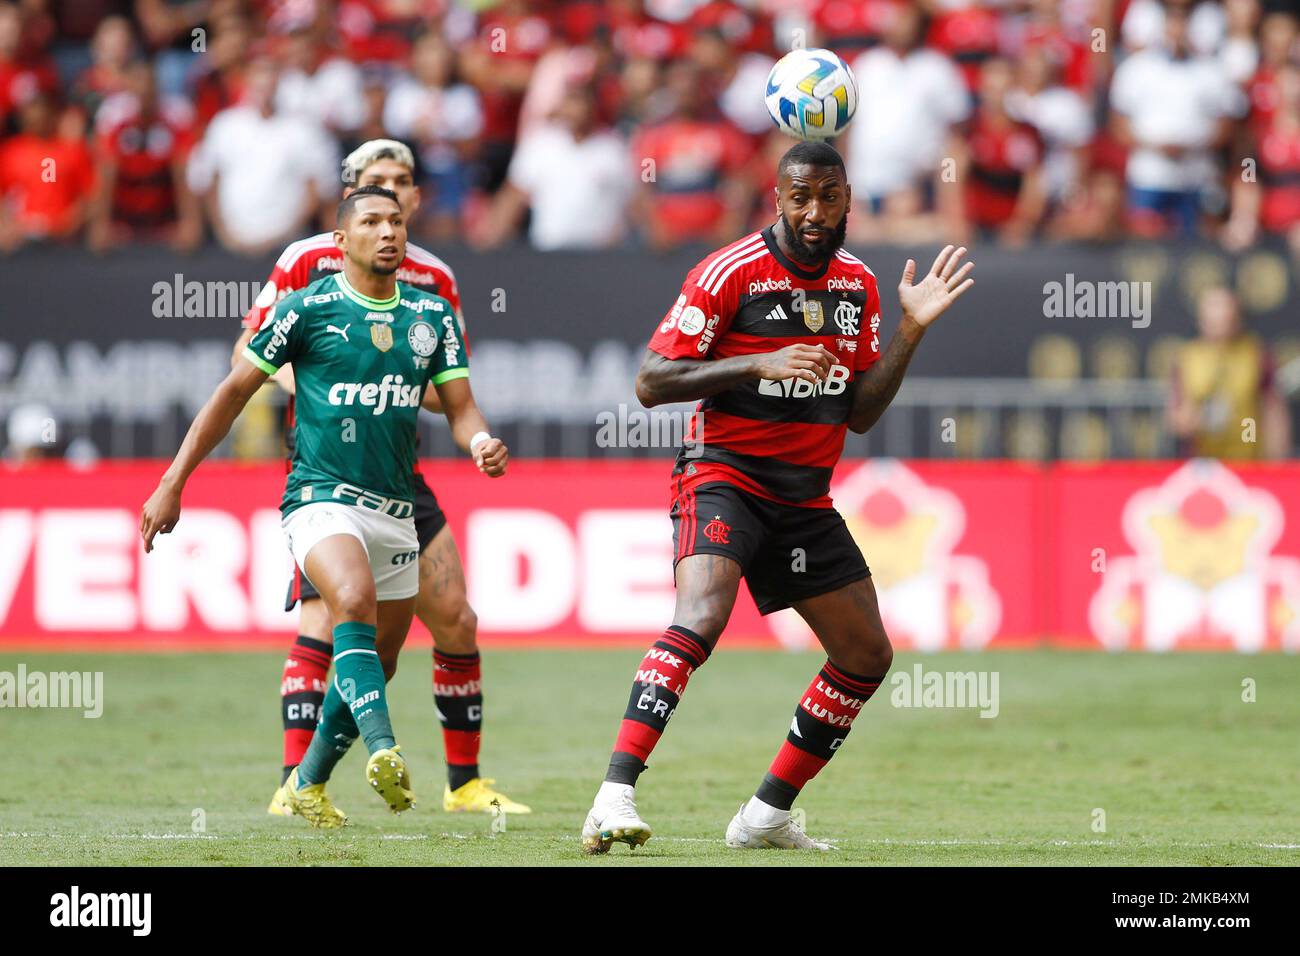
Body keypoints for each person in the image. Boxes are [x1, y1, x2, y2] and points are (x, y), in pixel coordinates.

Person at [580, 141, 975, 853]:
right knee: (701, 616)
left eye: (829, 196)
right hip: (725, 476)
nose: (815, 212)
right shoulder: (729, 271)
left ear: (848, 199)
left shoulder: (858, 285)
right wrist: (757, 361)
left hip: (804, 500)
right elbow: (651, 381)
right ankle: (613, 797)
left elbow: (860, 413)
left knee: (865, 654)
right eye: (801, 198)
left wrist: (912, 329)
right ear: (778, 199)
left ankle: (765, 816)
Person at [142, 184, 509, 828]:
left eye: (395, 221)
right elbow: (233, 392)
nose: (388, 232)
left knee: (382, 659)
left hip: (396, 506)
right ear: (341, 240)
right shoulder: (305, 308)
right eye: (371, 222)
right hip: (319, 495)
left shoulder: (431, 315)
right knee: (353, 601)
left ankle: (306, 783)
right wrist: (174, 481)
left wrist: (479, 441)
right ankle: (385, 749)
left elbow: (460, 407)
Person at [231, 139, 530, 816]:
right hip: (324, 468)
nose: (390, 196)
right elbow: (248, 352)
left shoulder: (436, 282)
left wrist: (467, 429)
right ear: (350, 202)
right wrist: (323, 382)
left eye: (401, 184)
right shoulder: (306, 262)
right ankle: (294, 780)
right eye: (376, 184)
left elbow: (447, 392)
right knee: (329, 618)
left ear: (415, 199)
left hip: (398, 471)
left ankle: (464, 784)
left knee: (455, 619)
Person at [1167, 286, 1291, 460]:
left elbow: (1273, 410)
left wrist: (1276, 459)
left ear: (1237, 318)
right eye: (1213, 318)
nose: (1219, 322)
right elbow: (1176, 415)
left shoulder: (1255, 354)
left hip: (1248, 458)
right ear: (1201, 320)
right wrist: (1193, 420)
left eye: (1225, 316)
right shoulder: (1187, 358)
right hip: (1202, 461)